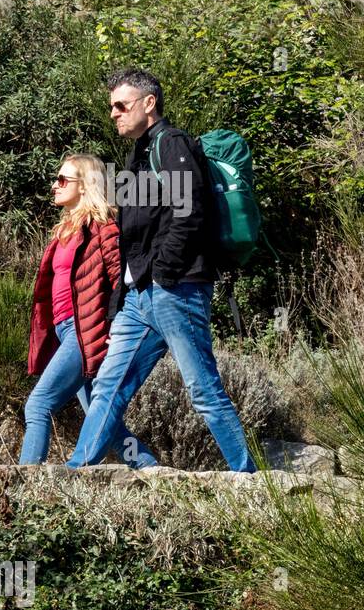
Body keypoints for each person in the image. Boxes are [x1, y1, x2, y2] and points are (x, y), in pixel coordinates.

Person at [65, 68, 257, 473]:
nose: (115, 113)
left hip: (176, 288)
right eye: (112, 107)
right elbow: (135, 232)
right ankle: (77, 470)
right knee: (108, 386)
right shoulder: (138, 155)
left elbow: (189, 213)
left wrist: (164, 272)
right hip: (140, 298)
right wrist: (130, 289)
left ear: (149, 104)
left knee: (202, 389)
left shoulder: (172, 144)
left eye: (122, 105)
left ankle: (248, 477)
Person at [21, 154, 159, 468]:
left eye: (63, 180)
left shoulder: (104, 228)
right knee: (99, 416)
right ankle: (149, 468)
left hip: (87, 331)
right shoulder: (64, 232)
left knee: (38, 405)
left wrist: (114, 328)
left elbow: (119, 282)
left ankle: (24, 483)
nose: (55, 186)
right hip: (65, 330)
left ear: (85, 186)